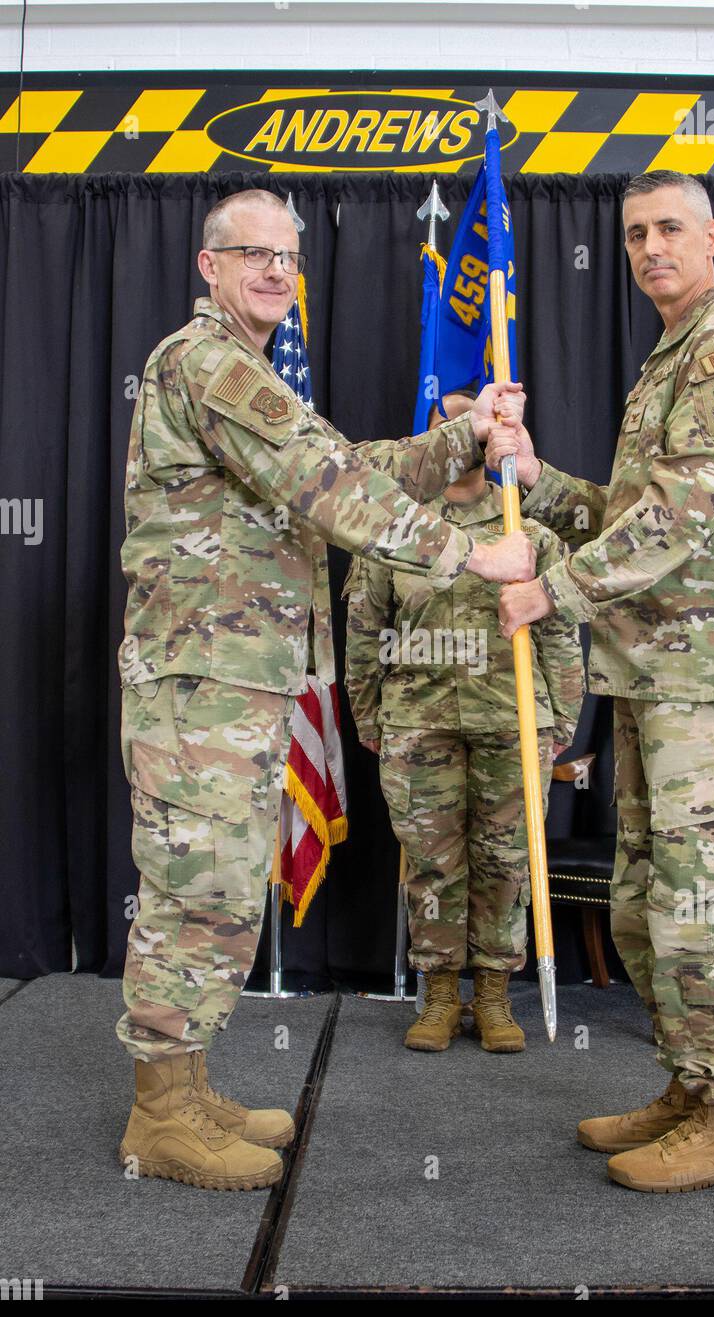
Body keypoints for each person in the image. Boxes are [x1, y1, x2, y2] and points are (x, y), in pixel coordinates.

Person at [116, 188, 534, 1191]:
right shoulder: (205, 361)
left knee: (216, 888)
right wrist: (471, 558)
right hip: (202, 682)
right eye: (250, 253)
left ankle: (188, 1083)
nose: (273, 270)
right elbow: (330, 487)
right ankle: (158, 1115)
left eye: (285, 258)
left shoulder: (248, 371)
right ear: (207, 267)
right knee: (193, 889)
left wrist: (464, 437)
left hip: (236, 678)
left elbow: (342, 462)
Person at [488, 170, 714, 1193]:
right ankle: (688, 1086)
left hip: (708, 676)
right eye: (632, 235)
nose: (649, 247)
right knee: (643, 902)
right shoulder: (671, 353)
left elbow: (680, 521)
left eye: (668, 227)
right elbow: (633, 509)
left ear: (711, 233)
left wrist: (549, 593)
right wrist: (539, 482)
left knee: (702, 904)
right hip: (655, 673)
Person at [344, 390, 584, 1053]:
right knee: (431, 863)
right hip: (419, 722)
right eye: (447, 430)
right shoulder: (396, 532)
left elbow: (560, 636)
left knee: (506, 862)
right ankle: (442, 994)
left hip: (513, 721)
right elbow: (365, 633)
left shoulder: (526, 530)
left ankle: (497, 996)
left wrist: (561, 715)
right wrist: (369, 713)